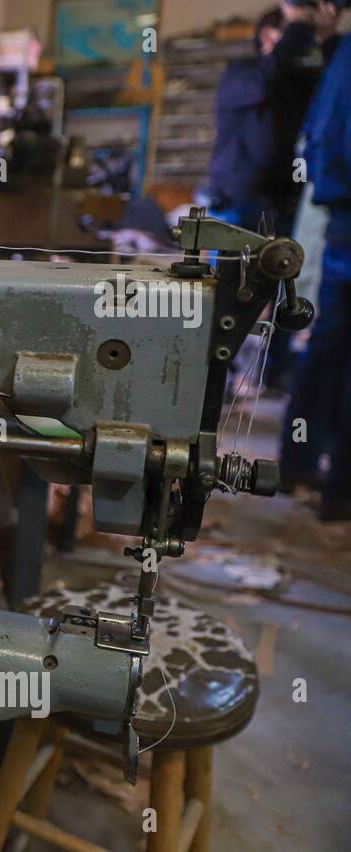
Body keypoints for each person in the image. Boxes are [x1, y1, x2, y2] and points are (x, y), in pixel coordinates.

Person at [205, 1, 341, 391]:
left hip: (281, 202)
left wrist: (325, 39)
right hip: (235, 200)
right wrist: (300, 23)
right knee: (223, 296)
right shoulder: (242, 74)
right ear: (269, 36)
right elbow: (274, 75)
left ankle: (270, 375)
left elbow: (327, 80)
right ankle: (210, 380)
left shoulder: (296, 80)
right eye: (295, 36)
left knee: (286, 290)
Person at [280, 12, 350, 520]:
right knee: (332, 347)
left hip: (339, 220)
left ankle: (305, 464)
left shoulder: (340, 59)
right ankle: (335, 484)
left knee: (330, 346)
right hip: (343, 219)